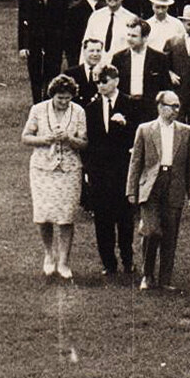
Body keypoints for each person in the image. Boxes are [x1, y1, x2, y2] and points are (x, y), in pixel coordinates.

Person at [126, 90, 190, 291]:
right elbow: (136, 162)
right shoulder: (145, 130)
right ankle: (147, 274)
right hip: (151, 185)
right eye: (171, 106)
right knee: (151, 231)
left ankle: (165, 279)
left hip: (174, 184)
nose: (176, 110)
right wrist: (131, 190)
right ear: (160, 107)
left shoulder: (186, 131)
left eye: (178, 106)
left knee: (170, 232)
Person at [21, 73, 88, 280]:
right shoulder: (38, 110)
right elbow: (25, 137)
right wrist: (46, 139)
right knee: (44, 216)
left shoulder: (78, 112)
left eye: (68, 98)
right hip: (42, 169)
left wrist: (69, 138)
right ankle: (49, 254)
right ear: (53, 95)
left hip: (69, 169)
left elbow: (84, 142)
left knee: (66, 217)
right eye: (60, 98)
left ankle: (64, 261)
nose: (64, 102)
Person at [81, 64, 137, 278]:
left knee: (125, 219)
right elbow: (89, 142)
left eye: (104, 81)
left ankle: (128, 260)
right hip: (100, 172)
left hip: (123, 170)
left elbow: (138, 135)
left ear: (116, 80)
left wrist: (125, 123)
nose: (100, 85)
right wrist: (89, 170)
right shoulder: (91, 108)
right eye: (97, 81)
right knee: (102, 220)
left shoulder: (129, 104)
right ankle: (108, 263)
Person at [17, 0, 70, 103]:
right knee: (35, 76)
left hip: (54, 43)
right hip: (35, 43)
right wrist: (23, 46)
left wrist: (64, 44)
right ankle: (37, 104)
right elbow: (22, 24)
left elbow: (65, 23)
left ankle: (49, 102)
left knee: (52, 74)